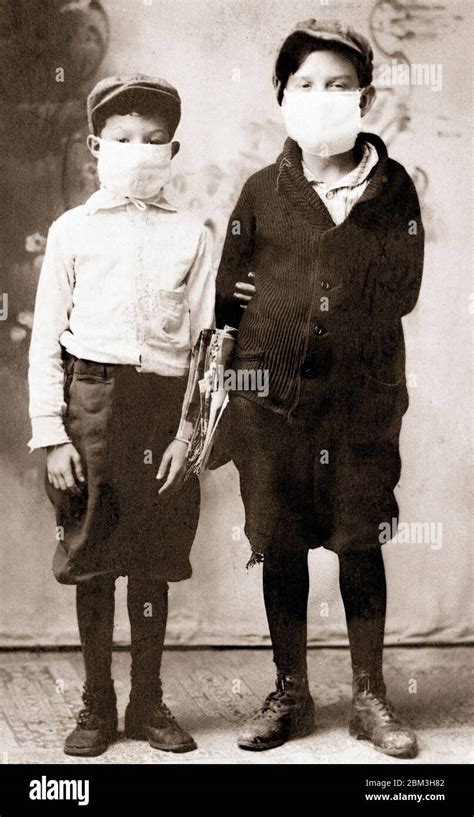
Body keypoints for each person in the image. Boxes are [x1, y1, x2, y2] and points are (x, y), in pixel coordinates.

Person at [215, 20, 424, 758]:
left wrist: (334, 248)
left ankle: (370, 694)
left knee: (359, 541)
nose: (322, 96)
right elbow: (227, 301)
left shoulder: (391, 188)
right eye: (305, 84)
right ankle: (290, 690)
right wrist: (246, 382)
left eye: (339, 84)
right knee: (281, 545)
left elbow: (400, 290)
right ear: (282, 95)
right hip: (272, 408)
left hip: (362, 406)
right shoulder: (261, 189)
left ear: (363, 95)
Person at [28, 74, 215, 756]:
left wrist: (190, 433)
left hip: (163, 409)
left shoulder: (193, 234)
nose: (139, 150)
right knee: (95, 555)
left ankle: (147, 700)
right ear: (95, 145)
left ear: (173, 150)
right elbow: (48, 338)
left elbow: (205, 345)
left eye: (154, 140)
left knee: (153, 559)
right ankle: (97, 704)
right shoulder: (72, 231)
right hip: (93, 404)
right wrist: (53, 434)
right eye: (124, 139)